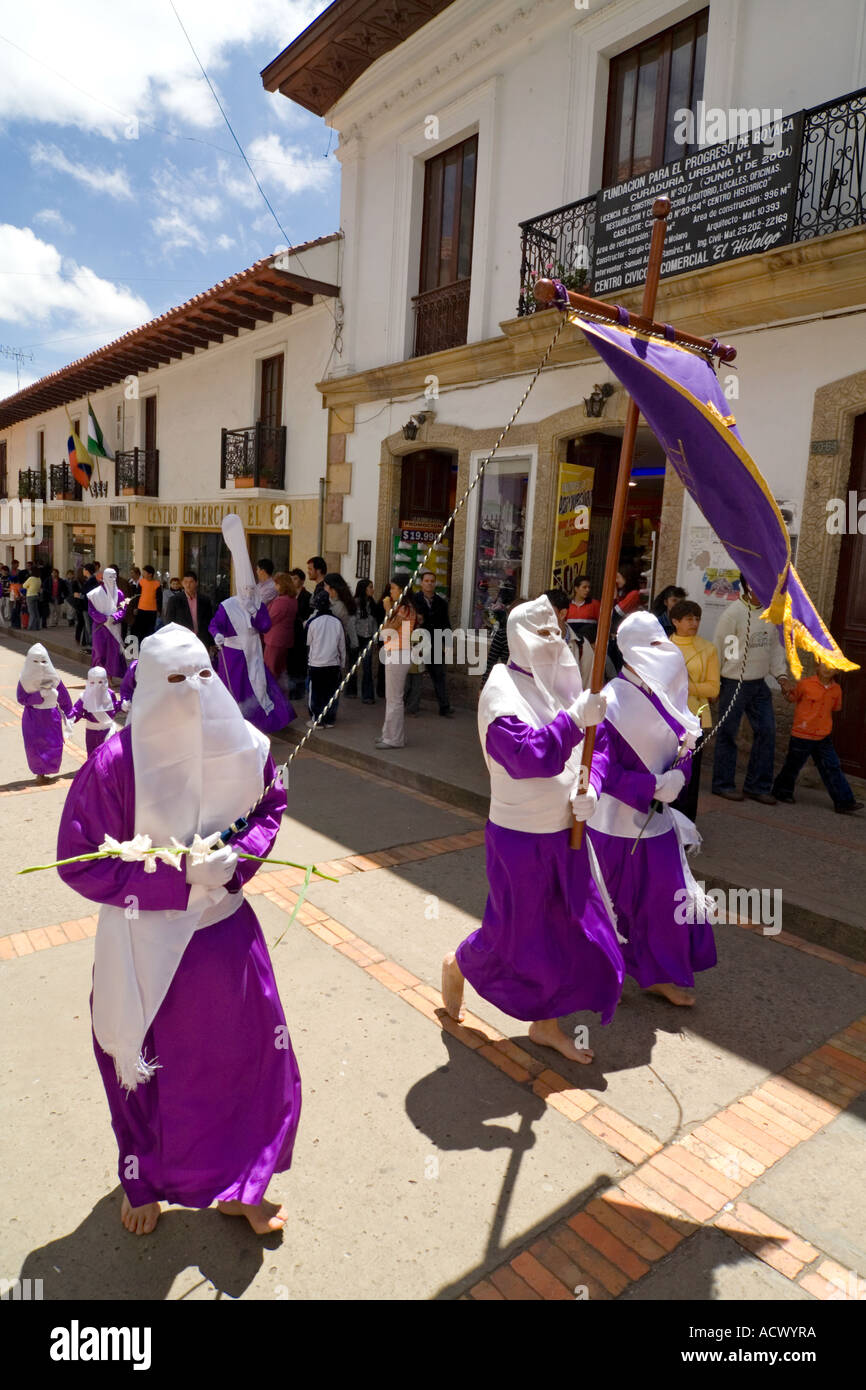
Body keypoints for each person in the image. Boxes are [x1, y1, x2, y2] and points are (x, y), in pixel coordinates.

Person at [55, 623, 301, 1236]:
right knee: (146, 1068)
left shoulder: (245, 744)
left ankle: (244, 1183)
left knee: (252, 1061)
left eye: (201, 676)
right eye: (174, 679)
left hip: (224, 937)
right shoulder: (116, 762)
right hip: (145, 942)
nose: (191, 691)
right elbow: (79, 858)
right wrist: (174, 878)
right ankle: (145, 1180)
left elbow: (270, 806)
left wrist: (237, 859)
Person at [441, 595, 622, 1063]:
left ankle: (547, 1024)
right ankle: (462, 961)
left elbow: (597, 750)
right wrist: (573, 720)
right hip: (519, 841)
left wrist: (594, 788)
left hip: (568, 834)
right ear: (518, 639)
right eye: (540, 635)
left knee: (568, 929)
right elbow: (528, 758)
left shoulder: (563, 686)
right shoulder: (499, 693)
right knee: (516, 932)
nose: (552, 642)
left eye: (556, 633)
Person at [585, 612, 715, 1008]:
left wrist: (680, 775)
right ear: (633, 650)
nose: (666, 650)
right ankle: (603, 973)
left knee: (665, 901)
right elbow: (597, 767)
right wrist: (650, 786)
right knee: (609, 904)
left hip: (657, 825)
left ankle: (658, 974)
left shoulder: (667, 694)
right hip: (610, 825)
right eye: (655, 644)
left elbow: (682, 745)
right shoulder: (607, 701)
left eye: (664, 641)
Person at [711, 576, 791, 804]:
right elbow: (722, 650)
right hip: (734, 683)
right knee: (728, 733)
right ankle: (722, 784)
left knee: (767, 731)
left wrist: (782, 677)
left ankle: (757, 786)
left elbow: (774, 649)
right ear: (748, 585)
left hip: (759, 684)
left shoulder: (770, 613)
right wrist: (716, 683)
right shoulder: (733, 614)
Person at [209, 516, 293, 735]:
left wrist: (256, 612)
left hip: (253, 651)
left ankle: (259, 721)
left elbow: (265, 626)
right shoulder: (227, 605)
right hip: (232, 654)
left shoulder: (258, 604)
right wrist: (217, 635)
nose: (248, 593)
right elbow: (214, 625)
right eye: (244, 589)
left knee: (259, 687)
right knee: (232, 689)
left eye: (250, 589)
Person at [772, 661, 864, 815]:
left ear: (837, 671)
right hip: (802, 734)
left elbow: (835, 707)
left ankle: (844, 801)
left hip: (823, 735)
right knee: (793, 765)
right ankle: (782, 791)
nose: (828, 668)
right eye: (825, 664)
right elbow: (792, 698)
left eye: (833, 665)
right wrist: (786, 690)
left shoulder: (836, 690)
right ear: (816, 667)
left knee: (832, 767)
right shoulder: (805, 684)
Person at [669, 599, 720, 823]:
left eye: (697, 618)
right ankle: (662, 821)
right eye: (689, 618)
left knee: (690, 773)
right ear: (675, 621)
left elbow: (713, 688)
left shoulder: (708, 649)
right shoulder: (663, 646)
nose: (694, 623)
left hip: (694, 718)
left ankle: (686, 824)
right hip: (665, 717)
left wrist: (686, 687)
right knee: (663, 770)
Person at [17, 643, 73, 783]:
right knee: (34, 746)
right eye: (36, 662)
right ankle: (39, 774)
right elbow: (21, 698)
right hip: (33, 717)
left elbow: (64, 696)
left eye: (43, 662)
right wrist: (39, 695)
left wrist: (69, 712)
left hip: (51, 716)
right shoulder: (24, 680)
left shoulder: (54, 678)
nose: (40, 666)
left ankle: (48, 769)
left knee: (54, 743)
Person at [405, 570, 453, 718]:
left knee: (439, 676)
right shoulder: (414, 600)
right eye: (427, 581)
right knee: (414, 678)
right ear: (421, 583)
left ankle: (444, 707)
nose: (429, 583)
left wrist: (448, 644)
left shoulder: (441, 602)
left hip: (437, 643)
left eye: (432, 581)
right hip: (418, 643)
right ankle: (411, 707)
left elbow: (446, 623)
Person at [377, 577, 417, 749]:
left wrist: (387, 609)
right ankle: (389, 734)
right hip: (397, 652)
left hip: (399, 653)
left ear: (401, 590)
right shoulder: (403, 609)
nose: (390, 592)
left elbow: (387, 630)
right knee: (392, 697)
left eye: (393, 588)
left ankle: (394, 738)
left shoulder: (404, 609)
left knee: (394, 699)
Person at [305, 591, 345, 728]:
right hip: (333, 664)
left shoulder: (313, 623)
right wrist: (342, 663)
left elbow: (309, 643)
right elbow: (342, 646)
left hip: (316, 664)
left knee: (316, 693)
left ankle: (317, 720)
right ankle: (329, 719)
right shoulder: (337, 622)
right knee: (331, 693)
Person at [70, 666, 121, 757]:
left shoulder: (110, 694)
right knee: (92, 754)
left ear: (106, 681)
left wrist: (122, 705)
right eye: (93, 683)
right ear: (89, 682)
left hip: (108, 729)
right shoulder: (85, 697)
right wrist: (71, 717)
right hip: (92, 732)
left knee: (108, 754)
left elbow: (114, 706)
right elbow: (77, 711)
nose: (97, 686)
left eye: (100, 682)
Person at [88, 567, 129, 680]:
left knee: (113, 653)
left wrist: (114, 617)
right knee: (100, 652)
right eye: (110, 576)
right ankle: (98, 677)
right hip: (100, 628)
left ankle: (110, 677)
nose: (112, 579)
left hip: (114, 627)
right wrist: (103, 618)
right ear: (104, 577)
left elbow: (122, 609)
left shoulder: (120, 594)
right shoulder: (95, 594)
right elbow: (91, 610)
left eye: (114, 576)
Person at [347, 579, 380, 703]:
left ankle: (368, 695)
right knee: (353, 665)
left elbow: (375, 621)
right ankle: (351, 690)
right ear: (363, 589)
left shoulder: (372, 603)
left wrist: (375, 638)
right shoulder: (355, 603)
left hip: (368, 637)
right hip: (356, 636)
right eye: (370, 587)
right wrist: (354, 641)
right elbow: (351, 622)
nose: (372, 589)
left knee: (367, 666)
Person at [163, 571, 215, 645]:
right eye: (185, 582)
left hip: (201, 640)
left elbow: (209, 621)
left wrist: (211, 643)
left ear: (196, 583)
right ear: (182, 583)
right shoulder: (174, 600)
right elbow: (169, 622)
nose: (188, 585)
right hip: (182, 640)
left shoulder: (205, 600)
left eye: (191, 582)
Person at [264, 573, 297, 682]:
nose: (275, 586)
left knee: (270, 669)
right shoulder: (292, 599)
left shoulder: (281, 601)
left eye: (277, 584)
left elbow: (270, 618)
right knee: (280, 670)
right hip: (284, 639)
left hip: (275, 639)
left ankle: (273, 694)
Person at [287, 569, 311, 696]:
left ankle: (299, 690)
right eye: (291, 578)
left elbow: (307, 614)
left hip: (301, 634)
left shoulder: (307, 596)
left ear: (302, 580)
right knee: (291, 661)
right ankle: (291, 688)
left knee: (300, 661)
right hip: (290, 632)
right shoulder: (288, 596)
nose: (292, 581)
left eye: (295, 578)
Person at [132, 565, 162, 643]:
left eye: (144, 572)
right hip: (141, 609)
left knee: (150, 630)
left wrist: (159, 610)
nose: (143, 574)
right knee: (140, 629)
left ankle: (149, 645)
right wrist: (135, 607)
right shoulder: (141, 582)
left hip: (152, 610)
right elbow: (137, 595)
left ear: (150, 574)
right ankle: (140, 645)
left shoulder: (157, 584)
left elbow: (159, 598)